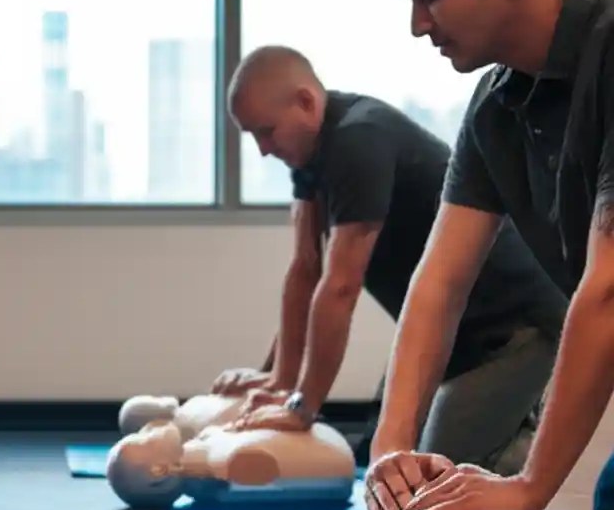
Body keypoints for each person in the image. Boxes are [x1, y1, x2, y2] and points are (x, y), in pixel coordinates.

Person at [366, 0, 614, 510]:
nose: (418, 25)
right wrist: (390, 451)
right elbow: (440, 285)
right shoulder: (494, 111)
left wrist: (528, 488)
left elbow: (608, 291)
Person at [213, 45, 567, 478]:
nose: (263, 149)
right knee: (382, 464)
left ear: (306, 102)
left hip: (514, 330)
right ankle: (504, 439)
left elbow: (340, 286)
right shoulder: (312, 152)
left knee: (429, 476)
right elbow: (305, 270)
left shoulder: (358, 139)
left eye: (266, 132)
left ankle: (528, 460)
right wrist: (280, 381)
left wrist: (303, 406)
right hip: (445, 330)